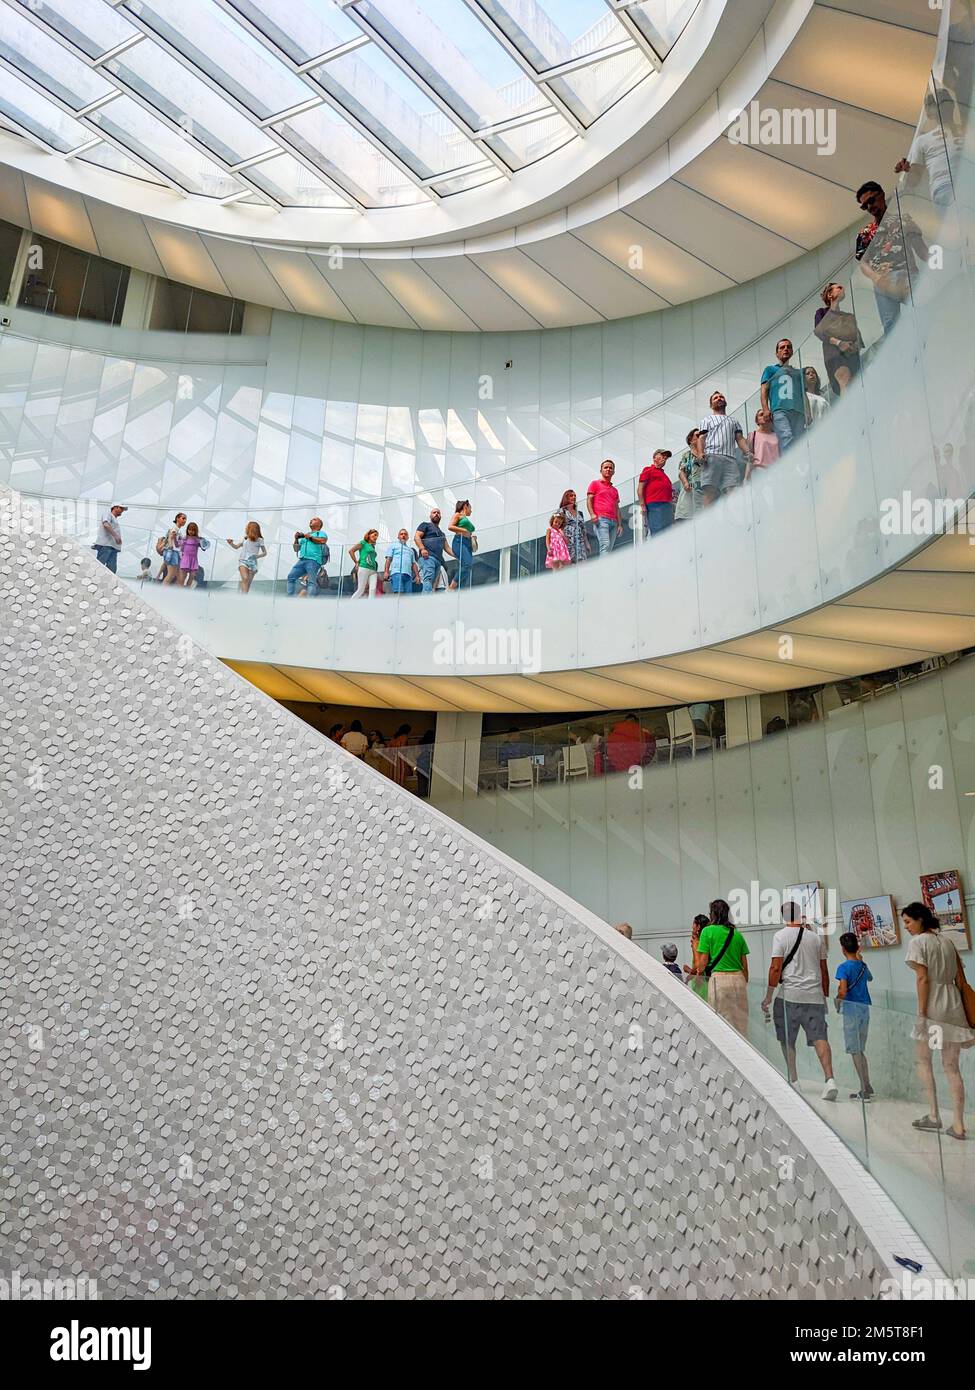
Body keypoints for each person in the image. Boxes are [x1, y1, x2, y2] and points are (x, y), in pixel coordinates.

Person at [902, 900, 975, 1139]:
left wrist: (922, 1015)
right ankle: (958, 1124)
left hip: (933, 1007)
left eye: (908, 921)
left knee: (924, 1060)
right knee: (951, 1067)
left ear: (920, 919)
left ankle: (933, 1114)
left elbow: (922, 979)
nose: (906, 927)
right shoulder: (948, 942)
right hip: (953, 1005)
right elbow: (960, 979)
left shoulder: (918, 942)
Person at [762, 902, 837, 1100]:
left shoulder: (780, 936)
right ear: (800, 914)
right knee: (820, 1037)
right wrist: (824, 995)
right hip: (814, 997)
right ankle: (830, 1080)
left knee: (787, 1038)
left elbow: (775, 968)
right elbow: (824, 969)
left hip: (790, 995)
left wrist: (769, 995)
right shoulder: (815, 938)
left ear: (783, 917)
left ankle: (794, 1080)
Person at [854, 180, 928, 338]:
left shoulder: (904, 219)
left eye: (871, 201)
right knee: (891, 328)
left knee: (923, 312)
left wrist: (939, 263)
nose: (869, 207)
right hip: (883, 282)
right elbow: (863, 263)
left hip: (908, 274)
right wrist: (876, 278)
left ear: (881, 194)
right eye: (864, 206)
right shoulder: (865, 233)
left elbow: (922, 251)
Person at [895, 87, 962, 208]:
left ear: (952, 104)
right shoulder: (922, 141)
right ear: (929, 112)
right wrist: (908, 169)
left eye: (944, 100)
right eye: (935, 104)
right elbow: (913, 181)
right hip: (944, 187)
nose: (942, 105)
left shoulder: (969, 132)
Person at [694, 899, 749, 1035]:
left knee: (721, 1027)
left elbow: (701, 967)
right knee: (741, 1026)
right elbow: (745, 969)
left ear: (712, 914)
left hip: (720, 981)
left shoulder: (707, 932)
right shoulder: (737, 934)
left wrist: (695, 946)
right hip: (739, 981)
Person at [835, 931, 874, 1102]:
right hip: (865, 1010)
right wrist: (861, 959)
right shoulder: (862, 966)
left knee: (854, 1050)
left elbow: (843, 990)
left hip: (851, 1011)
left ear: (843, 949)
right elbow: (870, 978)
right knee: (861, 1050)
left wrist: (837, 1001)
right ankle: (867, 1085)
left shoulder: (843, 968)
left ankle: (864, 1089)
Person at [760, 338, 810, 454]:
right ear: (777, 353)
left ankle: (799, 465)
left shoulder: (798, 372)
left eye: (788, 347)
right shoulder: (770, 369)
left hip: (798, 411)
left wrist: (808, 412)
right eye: (782, 347)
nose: (786, 349)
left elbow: (803, 393)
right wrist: (765, 409)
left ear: (792, 351)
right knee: (786, 437)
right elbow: (764, 389)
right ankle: (789, 465)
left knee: (799, 441)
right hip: (780, 410)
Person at [814, 282, 862, 397]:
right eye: (839, 287)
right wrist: (839, 343)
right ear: (830, 294)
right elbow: (819, 331)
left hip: (852, 355)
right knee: (844, 379)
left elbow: (857, 336)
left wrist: (853, 346)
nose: (842, 289)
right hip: (834, 354)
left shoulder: (849, 316)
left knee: (856, 384)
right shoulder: (821, 313)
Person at [698, 392, 750, 498]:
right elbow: (701, 438)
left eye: (721, 397)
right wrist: (700, 453)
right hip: (712, 456)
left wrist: (748, 452)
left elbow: (739, 439)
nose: (719, 398)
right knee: (710, 490)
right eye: (715, 398)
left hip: (730, 459)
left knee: (733, 491)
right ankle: (708, 514)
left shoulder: (734, 421)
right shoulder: (706, 420)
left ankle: (733, 514)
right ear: (711, 405)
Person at [586, 459, 622, 556]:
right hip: (601, 520)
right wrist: (592, 514)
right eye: (605, 467)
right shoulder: (595, 484)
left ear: (613, 472)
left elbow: (617, 508)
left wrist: (619, 525)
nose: (608, 469)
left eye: (611, 468)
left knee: (609, 549)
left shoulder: (614, 490)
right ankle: (603, 570)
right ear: (601, 470)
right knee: (605, 545)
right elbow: (589, 499)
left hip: (614, 522)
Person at [415, 508, 453, 594]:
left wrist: (458, 555)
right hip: (427, 557)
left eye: (438, 513)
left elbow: (447, 548)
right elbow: (417, 536)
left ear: (440, 516)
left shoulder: (442, 534)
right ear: (430, 515)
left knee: (432, 585)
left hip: (438, 561)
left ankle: (428, 601)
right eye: (434, 512)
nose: (436, 514)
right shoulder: (425, 525)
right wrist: (422, 549)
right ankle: (426, 601)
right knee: (428, 579)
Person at [287, 517, 328, 597]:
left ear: (319, 524)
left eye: (314, 520)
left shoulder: (320, 533)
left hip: (313, 560)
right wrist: (296, 539)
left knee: (311, 581)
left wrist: (308, 537)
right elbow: (296, 549)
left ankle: (310, 601)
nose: (311, 520)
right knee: (291, 576)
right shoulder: (305, 536)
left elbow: (323, 541)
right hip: (302, 560)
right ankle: (290, 597)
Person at [637, 449, 674, 537]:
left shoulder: (664, 474)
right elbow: (640, 488)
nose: (664, 458)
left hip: (667, 505)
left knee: (668, 532)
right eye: (662, 455)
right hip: (655, 504)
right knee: (658, 531)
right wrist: (642, 505)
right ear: (654, 458)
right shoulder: (648, 469)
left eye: (666, 457)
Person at [226, 521, 266, 595]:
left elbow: (265, 553)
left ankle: (242, 599)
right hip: (243, 561)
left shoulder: (260, 540)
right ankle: (243, 599)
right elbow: (236, 547)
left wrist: (257, 556)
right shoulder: (245, 538)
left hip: (253, 563)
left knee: (247, 584)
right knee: (245, 578)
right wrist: (231, 543)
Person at [673, 429, 705, 522]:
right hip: (691, 491)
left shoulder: (706, 453)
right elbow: (681, 472)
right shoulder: (687, 455)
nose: (700, 437)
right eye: (697, 435)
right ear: (691, 440)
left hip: (705, 492)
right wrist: (686, 483)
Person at [447, 501, 476, 590]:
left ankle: (460, 591)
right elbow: (450, 526)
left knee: (468, 566)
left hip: (467, 543)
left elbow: (468, 531)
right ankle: (451, 588)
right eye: (470, 507)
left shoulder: (465, 518)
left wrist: (472, 536)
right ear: (465, 506)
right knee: (467, 564)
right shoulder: (458, 515)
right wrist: (464, 530)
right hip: (460, 541)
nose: (471, 510)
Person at [745, 408, 779, 481]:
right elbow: (750, 458)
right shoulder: (752, 435)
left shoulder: (777, 435)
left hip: (776, 471)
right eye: (761, 415)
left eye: (768, 415)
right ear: (757, 421)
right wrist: (746, 477)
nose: (765, 416)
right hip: (759, 471)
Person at [557, 489, 591, 563]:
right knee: (569, 563)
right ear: (566, 498)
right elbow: (557, 527)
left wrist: (587, 543)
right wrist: (564, 538)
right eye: (571, 496)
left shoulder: (580, 513)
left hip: (580, 541)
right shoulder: (561, 511)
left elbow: (583, 529)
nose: (574, 497)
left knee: (582, 563)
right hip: (568, 540)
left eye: (575, 496)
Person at [384, 528, 420, 594]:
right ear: (398, 537)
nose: (403, 535)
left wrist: (417, 576)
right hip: (397, 573)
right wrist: (386, 572)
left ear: (408, 537)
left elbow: (414, 564)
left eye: (405, 534)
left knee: (408, 597)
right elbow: (388, 559)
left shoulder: (410, 550)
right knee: (399, 594)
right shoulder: (393, 546)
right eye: (401, 534)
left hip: (408, 575)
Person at [683, 913, 711, 1000]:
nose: (692, 927)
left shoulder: (697, 942)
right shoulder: (707, 942)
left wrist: (689, 975)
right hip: (708, 980)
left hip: (700, 982)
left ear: (698, 927)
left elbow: (698, 964)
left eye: (694, 924)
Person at [92, 504, 126, 573]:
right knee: (100, 566)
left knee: (112, 569)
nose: (122, 511)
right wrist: (116, 536)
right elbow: (106, 524)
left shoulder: (114, 518)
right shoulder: (108, 514)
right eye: (121, 508)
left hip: (112, 547)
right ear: (115, 507)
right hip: (106, 546)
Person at [349, 529, 380, 598]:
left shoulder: (372, 546)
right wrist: (356, 562)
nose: (376, 537)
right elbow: (351, 551)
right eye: (375, 535)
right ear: (369, 535)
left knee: (373, 590)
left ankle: (369, 607)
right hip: (364, 568)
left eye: (377, 536)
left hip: (373, 570)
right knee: (361, 589)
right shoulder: (363, 543)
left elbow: (366, 556)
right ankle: (349, 605)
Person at [156, 511, 186, 584]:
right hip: (172, 552)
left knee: (177, 575)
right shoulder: (174, 528)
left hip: (175, 552)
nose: (184, 521)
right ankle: (162, 591)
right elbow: (170, 537)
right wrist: (170, 546)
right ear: (177, 519)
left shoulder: (177, 529)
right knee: (171, 575)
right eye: (183, 518)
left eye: (185, 519)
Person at [176, 522, 204, 588]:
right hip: (185, 559)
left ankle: (186, 592)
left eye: (193, 530)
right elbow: (177, 545)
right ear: (187, 530)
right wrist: (174, 538)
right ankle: (180, 592)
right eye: (189, 529)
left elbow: (204, 548)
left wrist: (202, 541)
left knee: (191, 578)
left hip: (193, 560)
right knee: (182, 579)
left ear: (195, 531)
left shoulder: (197, 539)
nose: (191, 531)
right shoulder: (185, 538)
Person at [415, 729, 435, 798]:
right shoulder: (433, 745)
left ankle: (421, 799)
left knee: (421, 785)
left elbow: (416, 754)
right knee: (430, 785)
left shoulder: (421, 743)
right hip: (429, 766)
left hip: (420, 766)